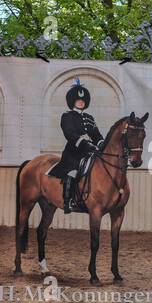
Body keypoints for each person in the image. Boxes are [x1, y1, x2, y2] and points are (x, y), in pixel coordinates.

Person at [48, 79, 102, 213]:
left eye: (83, 100)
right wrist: (86, 145)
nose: (81, 102)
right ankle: (68, 201)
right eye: (78, 100)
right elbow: (70, 134)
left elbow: (96, 135)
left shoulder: (89, 117)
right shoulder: (67, 116)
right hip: (74, 153)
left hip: (90, 153)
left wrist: (101, 144)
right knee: (73, 172)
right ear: (73, 101)